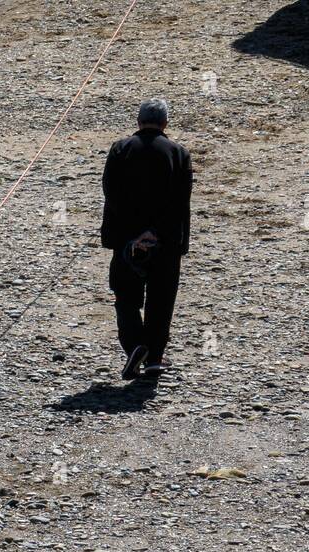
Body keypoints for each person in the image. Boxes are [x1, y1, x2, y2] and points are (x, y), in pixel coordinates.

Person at [100, 97, 193, 379]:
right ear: (165, 123)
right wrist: (159, 232)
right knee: (161, 299)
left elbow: (111, 192)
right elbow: (180, 201)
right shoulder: (179, 153)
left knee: (125, 296)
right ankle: (154, 357)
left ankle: (134, 345)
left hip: (127, 240)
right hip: (165, 241)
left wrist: (134, 232)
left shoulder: (120, 149)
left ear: (138, 121)